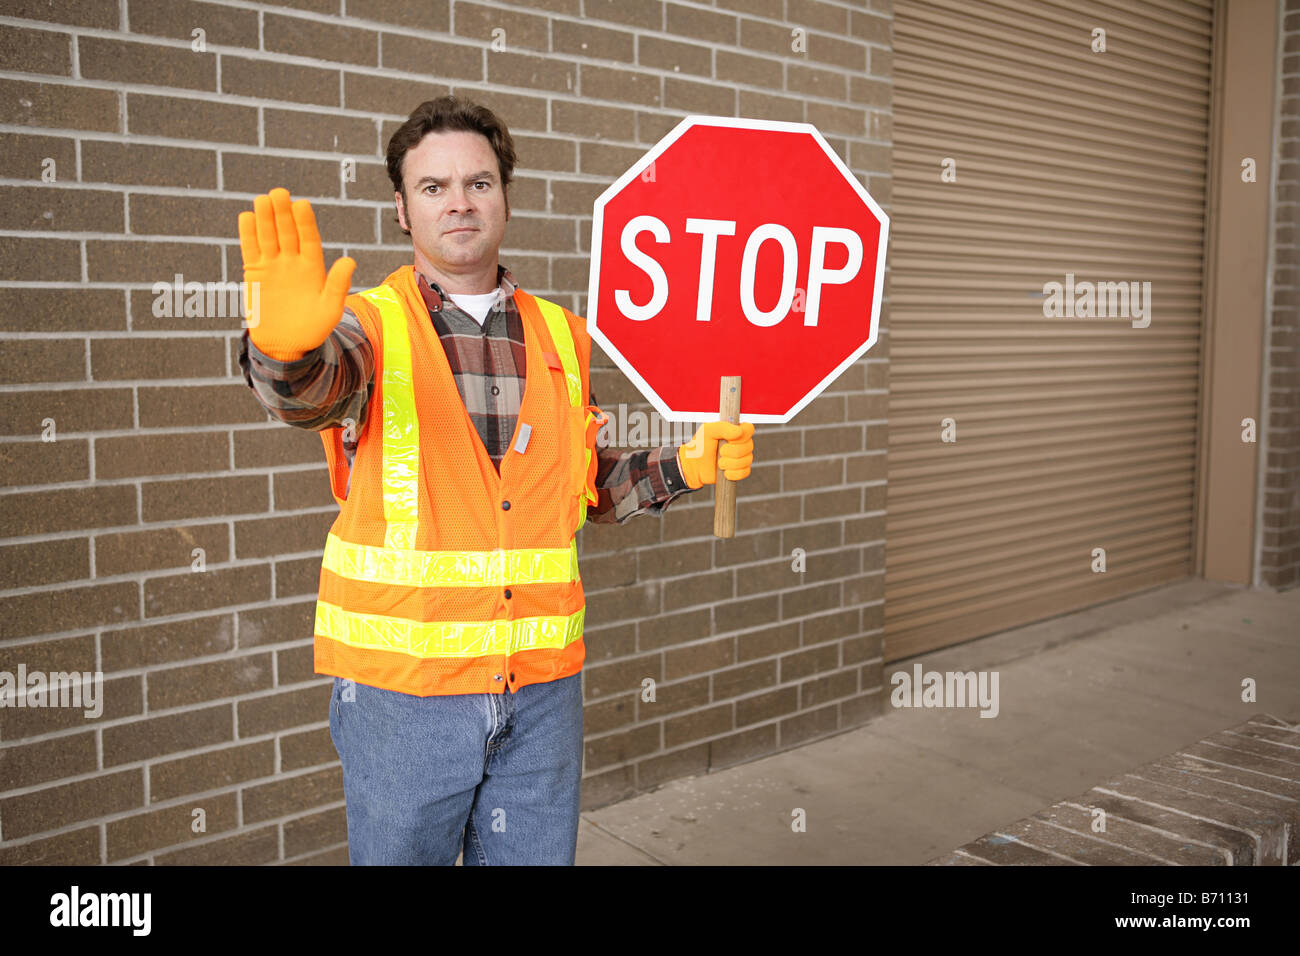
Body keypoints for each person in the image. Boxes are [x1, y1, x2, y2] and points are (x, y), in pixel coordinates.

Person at [234, 96, 756, 865]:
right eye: (433, 187)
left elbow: (581, 487)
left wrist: (690, 464)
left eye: (478, 183)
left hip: (540, 692)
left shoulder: (561, 334)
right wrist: (282, 353)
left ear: (505, 196)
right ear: (403, 212)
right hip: (405, 698)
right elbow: (311, 392)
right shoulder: (366, 327)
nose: (459, 202)